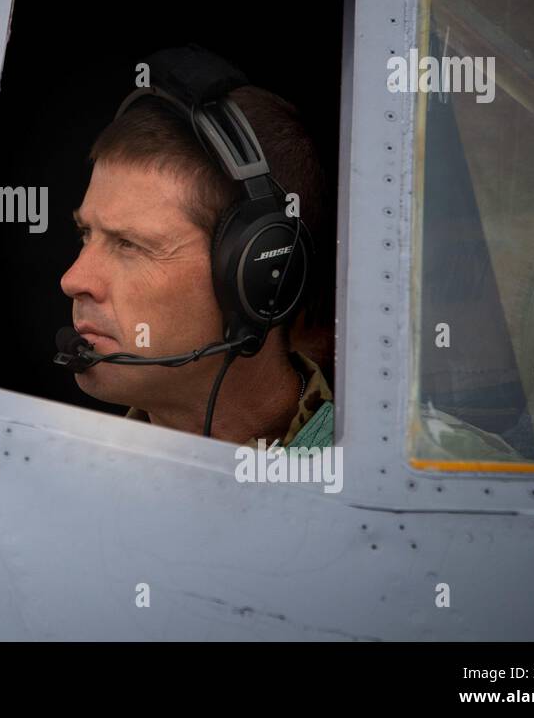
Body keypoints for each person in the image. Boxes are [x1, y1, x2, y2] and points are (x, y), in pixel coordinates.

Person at [60, 82, 334, 447]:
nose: (73, 279)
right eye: (85, 234)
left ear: (260, 277)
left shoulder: (411, 472)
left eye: (130, 244)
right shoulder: (57, 480)